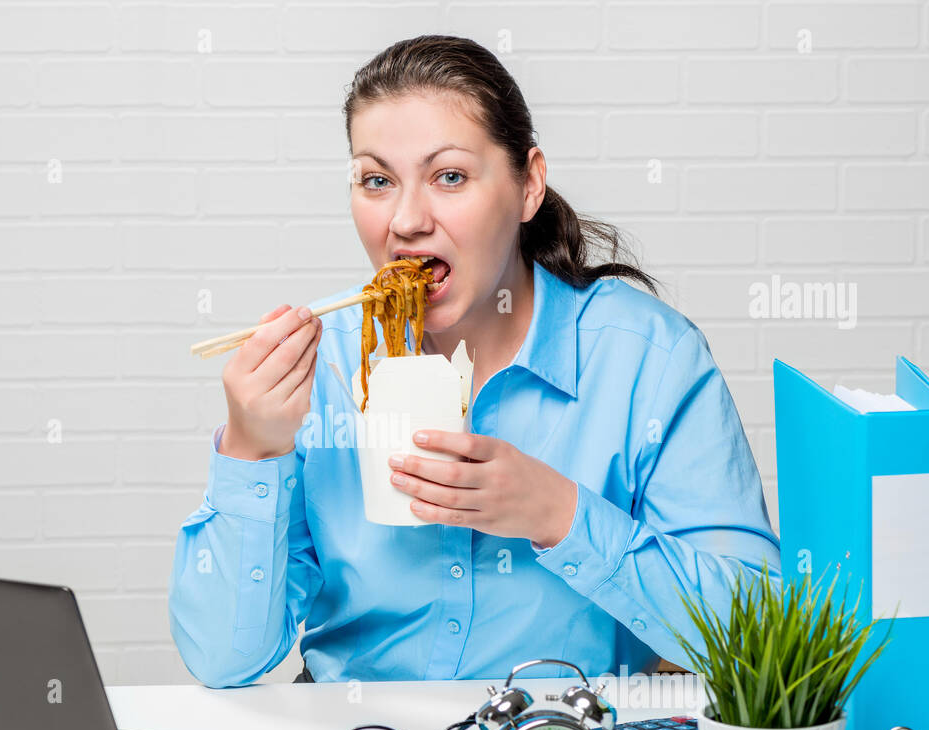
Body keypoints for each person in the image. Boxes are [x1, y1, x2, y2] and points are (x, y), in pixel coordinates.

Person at [169, 35, 780, 688]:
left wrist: (560, 514)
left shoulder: (645, 359)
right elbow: (222, 660)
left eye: (449, 176)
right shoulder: (323, 364)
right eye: (377, 180)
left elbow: (759, 632)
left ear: (527, 185)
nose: (405, 220)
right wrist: (251, 450)